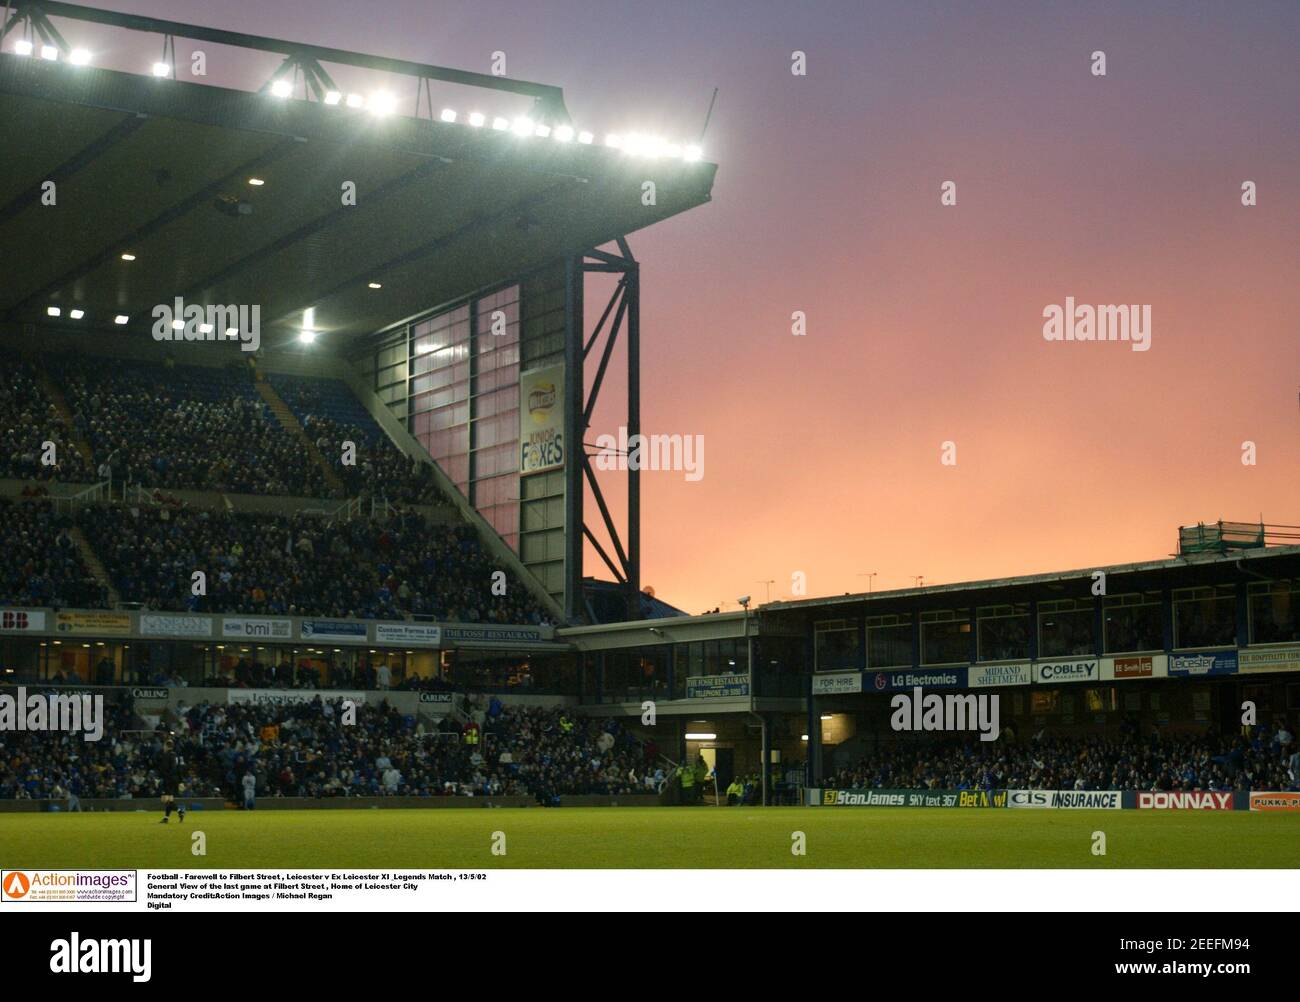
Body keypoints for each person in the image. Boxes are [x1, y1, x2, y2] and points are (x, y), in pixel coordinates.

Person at [157, 740, 185, 823]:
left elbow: (165, 768)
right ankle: (166, 818)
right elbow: (179, 768)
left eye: (164, 746)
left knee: (165, 799)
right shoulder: (176, 755)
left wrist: (160, 778)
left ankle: (180, 811)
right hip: (175, 779)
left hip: (169, 779)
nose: (163, 747)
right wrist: (180, 780)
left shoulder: (167, 755)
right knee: (170, 799)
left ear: (167, 746)